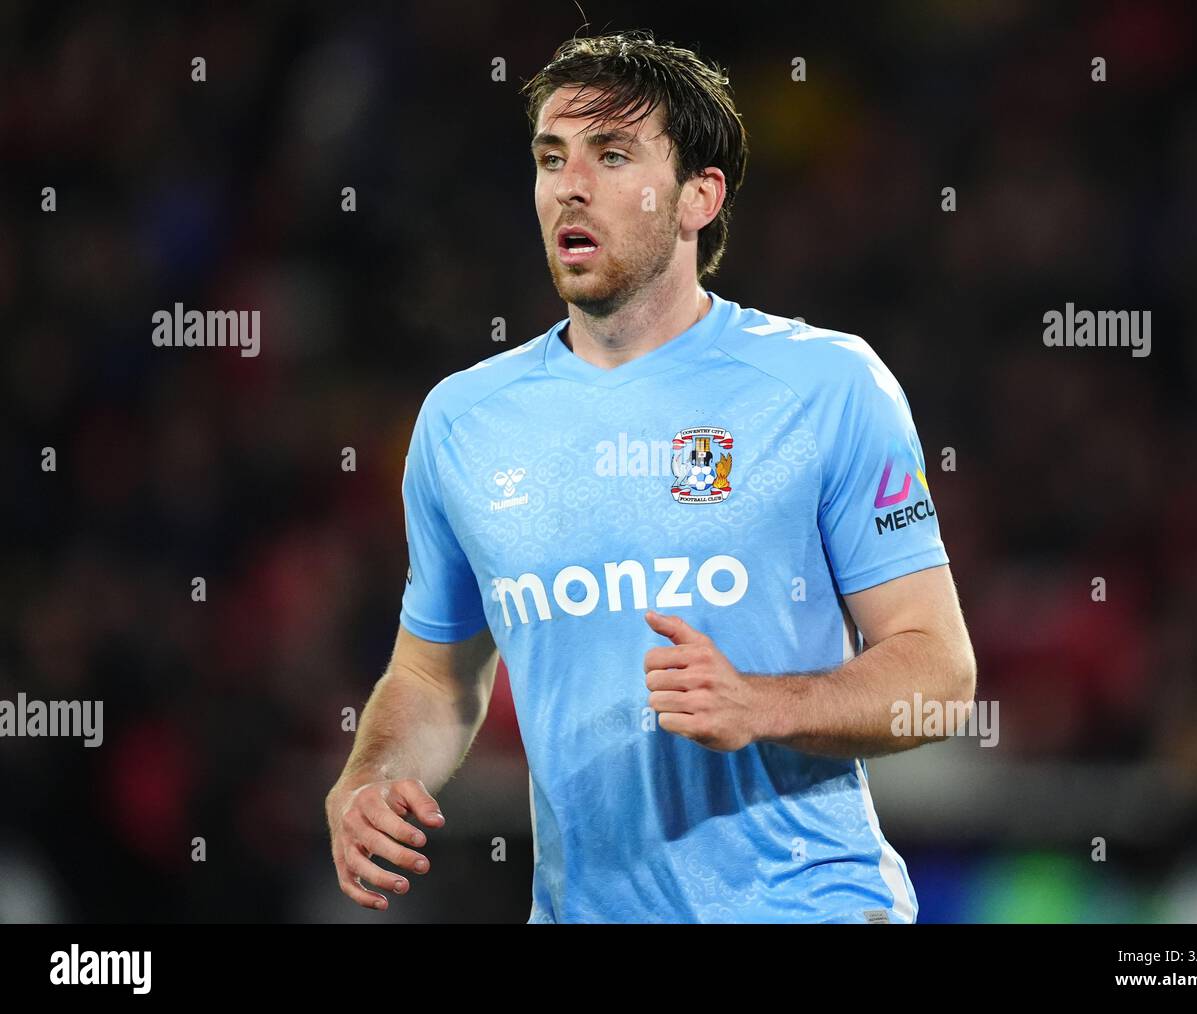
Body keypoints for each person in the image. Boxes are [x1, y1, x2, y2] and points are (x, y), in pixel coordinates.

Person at [326, 29, 976, 923]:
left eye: (612, 153)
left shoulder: (826, 385)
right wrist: (372, 776)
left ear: (697, 197)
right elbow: (435, 678)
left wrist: (763, 705)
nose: (571, 186)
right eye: (552, 158)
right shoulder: (462, 423)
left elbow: (938, 677)